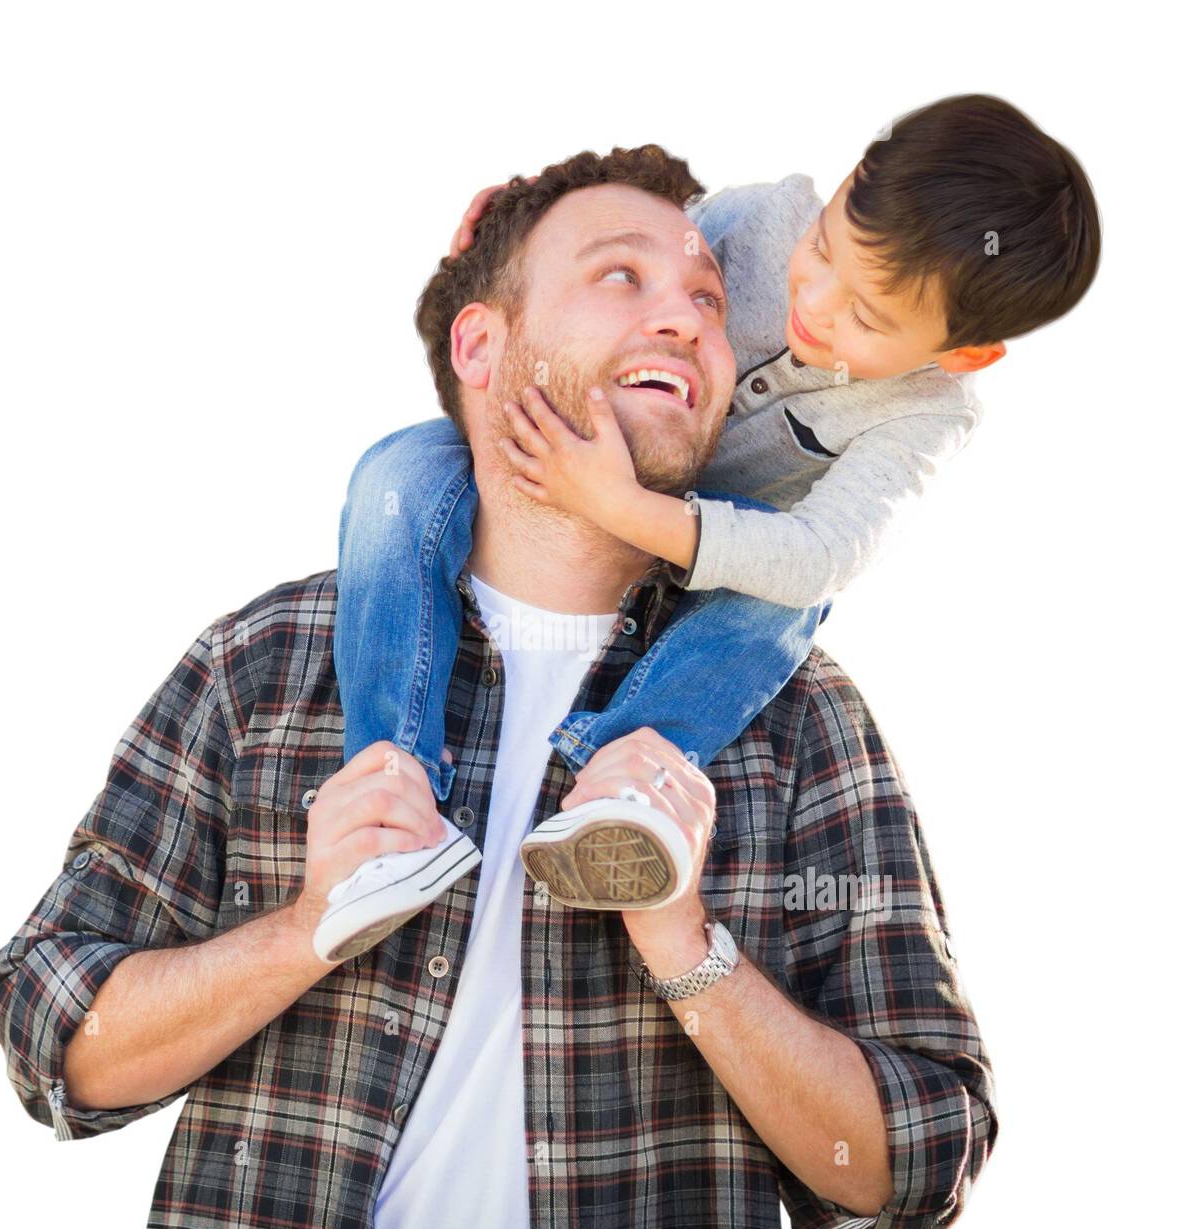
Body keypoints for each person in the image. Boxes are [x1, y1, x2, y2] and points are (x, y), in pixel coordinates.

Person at [0, 144, 997, 1229]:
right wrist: (306, 930)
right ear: (481, 343)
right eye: (621, 276)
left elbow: (917, 1165)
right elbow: (50, 1038)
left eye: (712, 301)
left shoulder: (801, 723)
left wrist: (684, 943)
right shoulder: (263, 666)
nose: (686, 319)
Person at [323, 96, 1100, 955]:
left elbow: (820, 555)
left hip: (717, 564)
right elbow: (623, 254)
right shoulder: (758, 217)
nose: (816, 297)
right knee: (399, 470)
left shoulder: (927, 413)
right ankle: (390, 789)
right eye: (826, 247)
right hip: (560, 471)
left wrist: (628, 509)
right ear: (841, 186)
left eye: (869, 317)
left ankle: (620, 784)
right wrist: (508, 240)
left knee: (792, 606)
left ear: (962, 355)